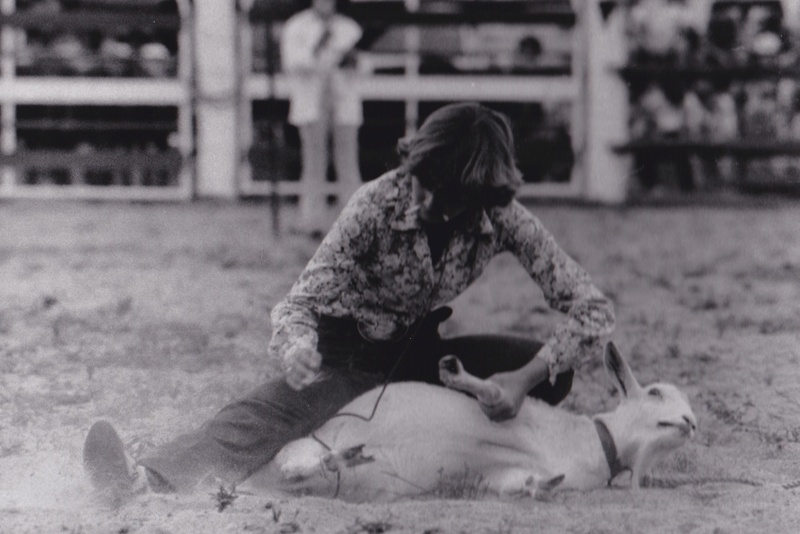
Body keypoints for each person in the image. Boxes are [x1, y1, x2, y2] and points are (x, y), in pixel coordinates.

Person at [83, 103, 615, 500]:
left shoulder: (505, 218)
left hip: (424, 355)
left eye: (444, 195)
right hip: (350, 356)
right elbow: (301, 301)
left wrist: (520, 380)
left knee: (551, 374)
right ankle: (143, 480)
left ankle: (484, 458)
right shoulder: (376, 201)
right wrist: (297, 347)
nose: (424, 201)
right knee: (269, 414)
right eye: (421, 181)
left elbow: (594, 309)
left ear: (482, 197)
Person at [280, 0, 363, 238]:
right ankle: (312, 221)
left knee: (347, 162)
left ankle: (353, 221)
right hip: (312, 103)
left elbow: (366, 66)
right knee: (314, 162)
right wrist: (319, 48)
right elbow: (292, 62)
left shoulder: (350, 28)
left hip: (342, 101)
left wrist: (353, 61)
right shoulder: (297, 27)